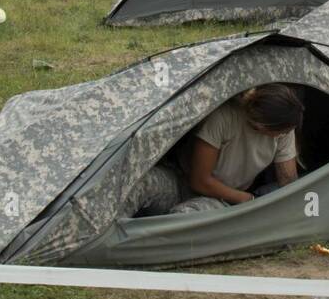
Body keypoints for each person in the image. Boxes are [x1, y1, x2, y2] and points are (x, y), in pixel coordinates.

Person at [123, 85, 305, 215]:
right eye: (282, 131)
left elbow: (288, 180)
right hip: (180, 183)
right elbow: (200, 180)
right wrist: (246, 199)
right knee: (137, 184)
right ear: (261, 125)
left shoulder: (284, 131)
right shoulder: (224, 117)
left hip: (221, 199)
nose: (286, 134)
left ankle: (145, 249)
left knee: (185, 217)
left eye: (288, 131)